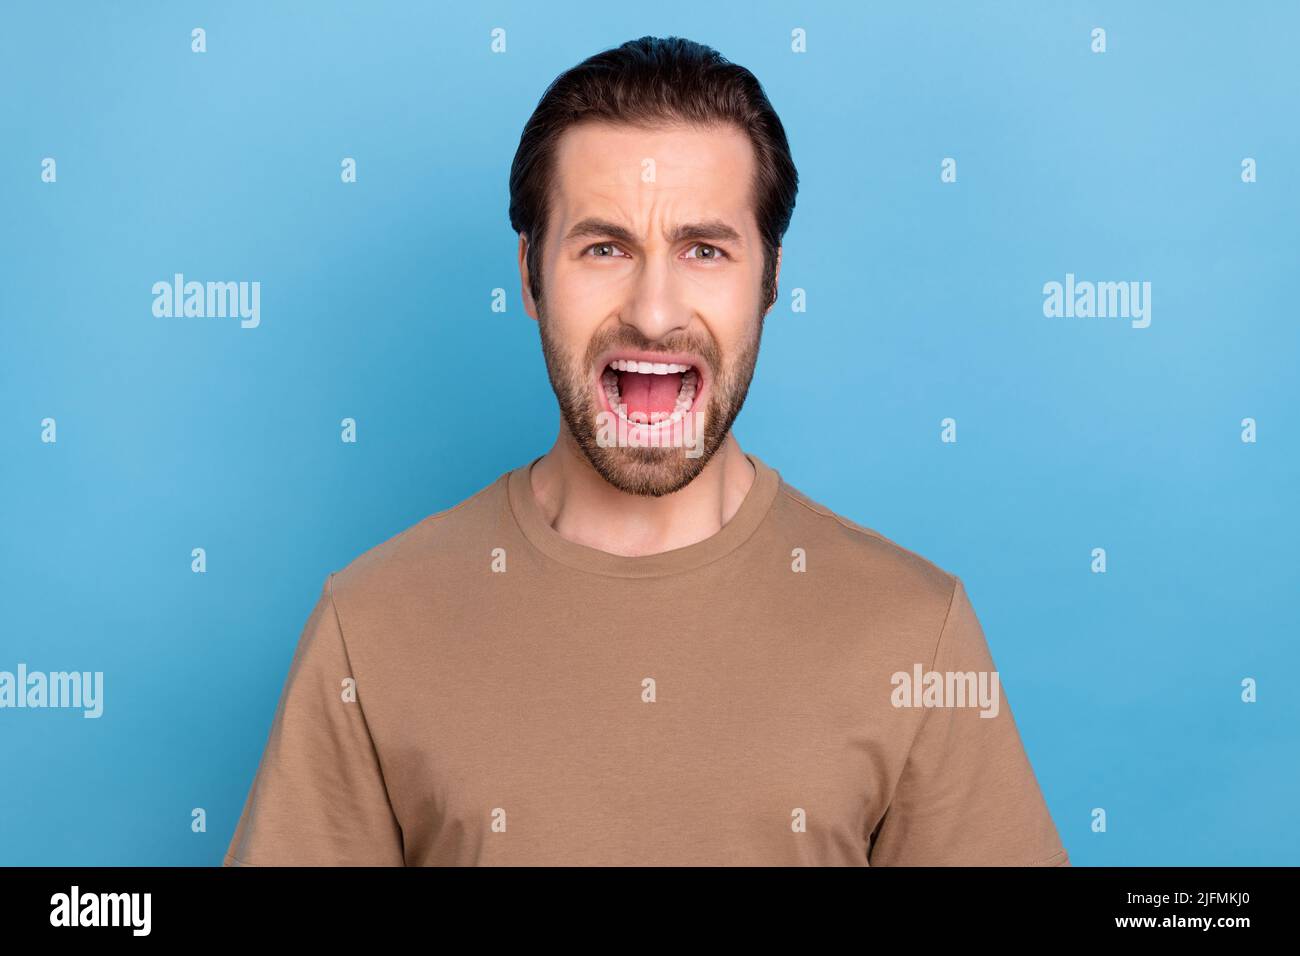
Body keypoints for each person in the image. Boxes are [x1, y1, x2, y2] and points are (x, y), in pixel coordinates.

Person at [223, 35, 1069, 867]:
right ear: (529, 277)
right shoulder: (369, 627)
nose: (655, 311)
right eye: (604, 248)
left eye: (705, 250)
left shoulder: (917, 634)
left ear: (770, 281)